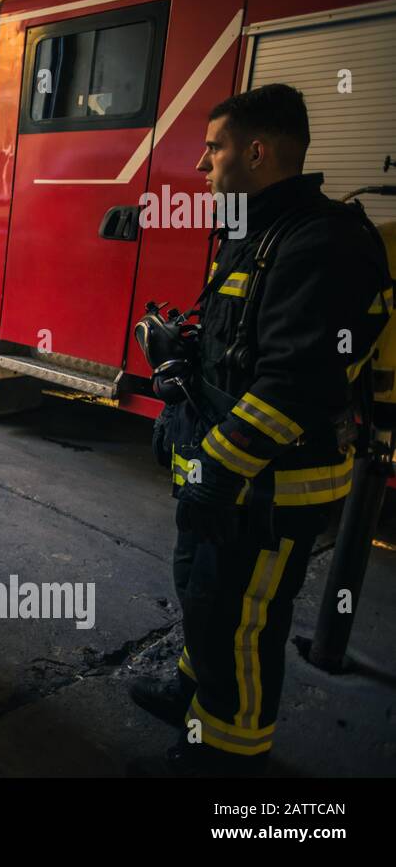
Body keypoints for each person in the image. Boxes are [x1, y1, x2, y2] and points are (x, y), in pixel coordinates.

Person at [134, 84, 391, 775]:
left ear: (257, 150)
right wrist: (181, 374)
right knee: (203, 593)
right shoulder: (258, 231)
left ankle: (223, 752)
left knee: (240, 622)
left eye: (213, 147)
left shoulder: (323, 243)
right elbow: (236, 347)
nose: (200, 165)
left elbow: (296, 385)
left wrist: (216, 469)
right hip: (228, 476)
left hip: (273, 489)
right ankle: (193, 690)